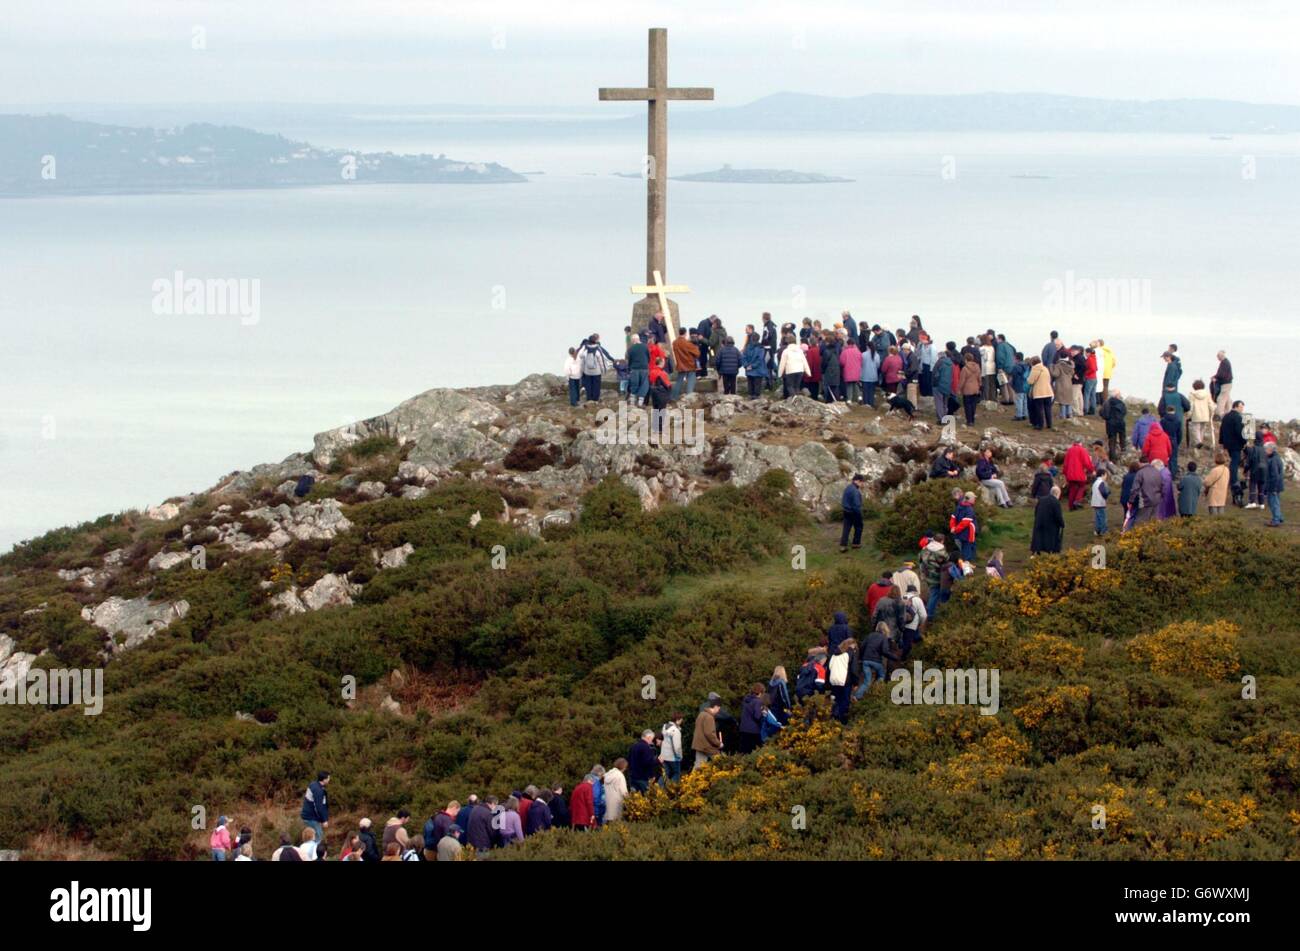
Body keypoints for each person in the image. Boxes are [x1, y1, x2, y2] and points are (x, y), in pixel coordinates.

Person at [1219, 400, 1247, 504]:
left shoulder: (1226, 416)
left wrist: (1221, 441)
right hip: (1236, 444)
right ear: (1236, 406)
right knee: (1235, 462)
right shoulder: (1237, 417)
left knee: (1233, 461)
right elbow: (1240, 432)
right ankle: (1233, 480)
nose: (1242, 409)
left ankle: (1233, 478)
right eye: (1241, 407)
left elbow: (1222, 429)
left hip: (1227, 443)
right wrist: (1244, 441)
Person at [827, 637, 860, 723]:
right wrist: (856, 682)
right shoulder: (850, 653)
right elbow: (854, 669)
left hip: (833, 680)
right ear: (853, 645)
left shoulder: (834, 654)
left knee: (836, 701)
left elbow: (829, 669)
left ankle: (833, 719)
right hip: (845, 681)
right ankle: (841, 721)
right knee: (844, 702)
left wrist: (827, 684)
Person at [920, 533, 950, 619]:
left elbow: (920, 559)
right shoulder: (941, 550)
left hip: (927, 573)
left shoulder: (925, 548)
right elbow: (947, 561)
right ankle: (929, 614)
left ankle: (932, 609)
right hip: (937, 575)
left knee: (933, 591)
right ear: (942, 541)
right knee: (935, 593)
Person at [1030, 485, 1066, 554]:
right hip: (1050, 526)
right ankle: (1052, 551)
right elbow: (1058, 515)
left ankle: (1036, 551)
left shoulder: (1041, 500)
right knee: (1051, 537)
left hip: (1039, 522)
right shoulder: (1055, 502)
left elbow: (1036, 511)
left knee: (1038, 537)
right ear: (1057, 494)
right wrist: (1062, 524)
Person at [1063, 438, 1096, 511]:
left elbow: (1065, 464)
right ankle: (1077, 501)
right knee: (1082, 486)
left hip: (1070, 474)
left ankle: (1071, 507)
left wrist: (1065, 473)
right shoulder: (1082, 450)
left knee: (1072, 489)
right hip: (1079, 473)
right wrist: (1092, 470)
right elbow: (1087, 462)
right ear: (1080, 443)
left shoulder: (1069, 450)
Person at [579, 335, 614, 402]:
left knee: (588, 385)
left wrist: (582, 370)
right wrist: (604, 371)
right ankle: (595, 399)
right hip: (597, 372)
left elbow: (581, 357)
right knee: (596, 385)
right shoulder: (598, 349)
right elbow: (601, 361)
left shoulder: (586, 350)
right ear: (595, 341)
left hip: (587, 371)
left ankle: (589, 398)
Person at [301, 771, 330, 850]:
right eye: (328, 778)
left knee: (311, 837)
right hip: (311, 817)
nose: (329, 780)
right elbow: (318, 807)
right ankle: (317, 855)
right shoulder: (318, 790)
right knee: (318, 838)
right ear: (324, 780)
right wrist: (324, 820)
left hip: (308, 815)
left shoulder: (314, 784)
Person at [1130, 460, 1164, 525]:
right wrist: (1161, 496)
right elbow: (1162, 485)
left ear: (1140, 463)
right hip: (1156, 500)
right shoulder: (1157, 472)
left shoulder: (1140, 473)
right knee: (1154, 521)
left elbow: (1135, 489)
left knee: (1140, 521)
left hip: (1144, 500)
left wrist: (1131, 500)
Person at [692, 698, 724, 768]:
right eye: (719, 708)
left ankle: (693, 778)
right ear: (715, 707)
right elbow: (709, 734)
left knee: (698, 766)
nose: (719, 711)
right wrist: (719, 744)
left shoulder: (701, 714)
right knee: (721, 762)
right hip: (706, 746)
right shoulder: (709, 717)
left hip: (699, 745)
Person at [777, 334, 809, 399]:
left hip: (790, 370)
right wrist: (808, 372)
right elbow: (804, 361)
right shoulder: (800, 350)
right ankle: (797, 399)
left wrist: (780, 373)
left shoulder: (786, 351)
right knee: (797, 386)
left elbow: (782, 363)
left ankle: (794, 398)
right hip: (800, 370)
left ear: (788, 342)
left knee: (789, 386)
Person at [1026, 356, 1053, 430]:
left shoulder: (1034, 369)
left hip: (1039, 392)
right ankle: (1049, 424)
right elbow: (1049, 379)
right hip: (1048, 391)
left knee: (1039, 409)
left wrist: (1028, 379)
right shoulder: (1045, 368)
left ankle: (1040, 425)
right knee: (1048, 408)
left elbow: (1030, 381)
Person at [840, 473, 865, 552]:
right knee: (859, 527)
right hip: (854, 512)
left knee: (846, 528)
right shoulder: (855, 491)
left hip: (846, 511)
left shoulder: (848, 488)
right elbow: (856, 505)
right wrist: (859, 514)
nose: (862, 484)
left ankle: (843, 546)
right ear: (857, 481)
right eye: (861, 482)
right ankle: (856, 544)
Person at [671, 330, 700, 399]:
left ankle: (674, 397)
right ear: (685, 333)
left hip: (680, 365)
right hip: (689, 364)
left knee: (679, 381)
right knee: (691, 380)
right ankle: (689, 396)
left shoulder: (675, 342)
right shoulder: (687, 343)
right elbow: (697, 353)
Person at [1100, 389, 1127, 461]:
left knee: (1112, 440)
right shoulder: (1121, 403)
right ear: (1117, 396)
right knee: (1122, 437)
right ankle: (1123, 450)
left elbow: (1103, 413)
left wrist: (1107, 419)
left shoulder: (1107, 403)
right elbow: (1124, 412)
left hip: (1110, 424)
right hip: (1120, 423)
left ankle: (1113, 457)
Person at [950, 493, 978, 562]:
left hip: (958, 533)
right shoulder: (969, 509)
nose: (975, 499)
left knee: (961, 549)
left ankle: (964, 563)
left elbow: (953, 518)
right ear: (970, 499)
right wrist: (955, 529)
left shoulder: (959, 506)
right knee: (967, 550)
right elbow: (965, 523)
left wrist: (953, 528)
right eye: (974, 498)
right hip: (967, 533)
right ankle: (966, 567)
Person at [1263, 441, 1286, 527]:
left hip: (1274, 486)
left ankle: (1276, 520)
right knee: (1274, 502)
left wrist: (1273, 488)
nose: (1264, 451)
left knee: (1273, 503)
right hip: (1275, 485)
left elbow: (1275, 476)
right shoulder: (1274, 458)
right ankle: (1279, 517)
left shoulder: (1274, 460)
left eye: (1266, 449)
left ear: (1270, 449)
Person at [738, 684, 766, 753]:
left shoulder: (746, 700)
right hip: (753, 731)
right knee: (758, 751)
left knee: (744, 752)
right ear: (760, 692)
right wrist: (763, 713)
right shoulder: (757, 702)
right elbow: (757, 716)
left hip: (743, 729)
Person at [659, 713, 684, 783]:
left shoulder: (665, 728)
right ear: (677, 720)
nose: (682, 722)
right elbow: (677, 747)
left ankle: (659, 790)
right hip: (673, 757)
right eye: (681, 720)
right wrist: (679, 756)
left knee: (665, 774)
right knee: (676, 774)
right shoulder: (676, 731)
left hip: (664, 756)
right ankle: (672, 789)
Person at [1188, 380, 1214, 448]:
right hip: (1205, 415)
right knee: (1202, 429)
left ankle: (1198, 442)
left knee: (1195, 429)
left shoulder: (1192, 394)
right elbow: (1210, 404)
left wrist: (1189, 414)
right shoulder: (1207, 394)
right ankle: (1200, 442)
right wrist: (1212, 412)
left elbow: (1191, 405)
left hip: (1196, 414)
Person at [742, 333, 768, 398]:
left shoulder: (747, 347)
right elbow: (760, 359)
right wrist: (752, 366)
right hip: (758, 370)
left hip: (749, 370)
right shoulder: (761, 348)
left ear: (751, 339)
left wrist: (746, 365)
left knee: (750, 385)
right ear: (758, 339)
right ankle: (756, 399)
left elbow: (743, 357)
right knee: (757, 385)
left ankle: (750, 397)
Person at [959, 353, 981, 426]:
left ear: (966, 359)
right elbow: (979, 378)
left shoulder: (965, 369)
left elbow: (962, 380)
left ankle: (969, 421)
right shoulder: (977, 367)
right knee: (973, 405)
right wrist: (979, 386)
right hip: (975, 388)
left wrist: (959, 389)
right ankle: (972, 420)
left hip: (967, 389)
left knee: (967, 405)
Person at [1051, 355, 1074, 420]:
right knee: (1068, 400)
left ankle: (1062, 415)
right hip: (1069, 385)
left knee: (1062, 402)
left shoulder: (1058, 365)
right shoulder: (1070, 366)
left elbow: (1055, 374)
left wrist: (1051, 367)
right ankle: (1069, 414)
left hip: (1061, 385)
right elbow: (1072, 374)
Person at [1211, 351, 1234, 418]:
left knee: (1221, 398)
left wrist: (1215, 378)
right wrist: (1215, 376)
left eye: (1218, 356)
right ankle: (1229, 412)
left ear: (1221, 356)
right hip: (1227, 383)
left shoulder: (1224, 363)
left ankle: (1219, 414)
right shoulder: (1225, 362)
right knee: (1227, 399)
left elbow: (1221, 374)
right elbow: (1221, 373)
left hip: (1226, 384)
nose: (1217, 358)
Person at [1097, 338, 1117, 405]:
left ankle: (1101, 401)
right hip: (1108, 372)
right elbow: (1114, 363)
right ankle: (1105, 401)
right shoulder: (1110, 352)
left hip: (1100, 371)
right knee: (1105, 386)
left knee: (1099, 386)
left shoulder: (1099, 351)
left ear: (1099, 344)